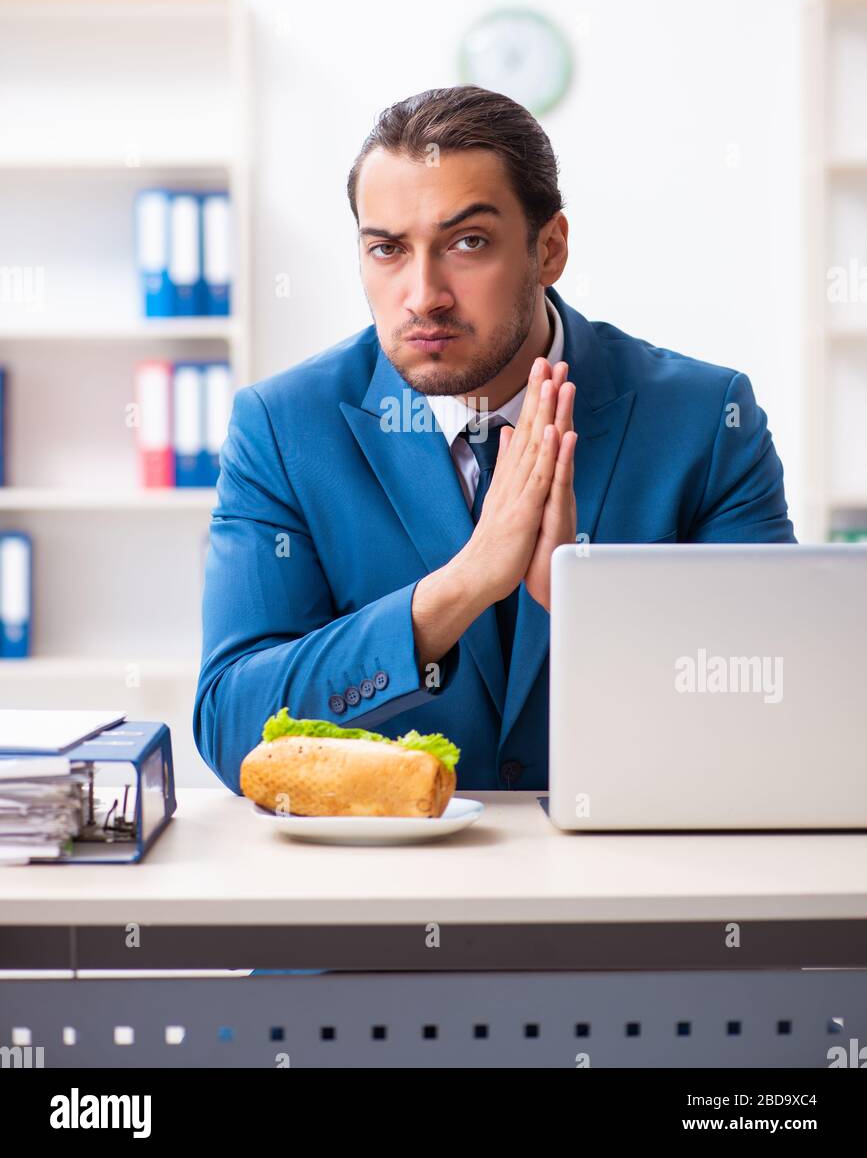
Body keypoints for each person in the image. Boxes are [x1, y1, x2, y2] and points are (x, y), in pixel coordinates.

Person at [194, 85, 796, 799]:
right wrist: (461, 585)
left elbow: (773, 704)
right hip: (382, 883)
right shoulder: (284, 426)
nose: (423, 295)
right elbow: (234, 725)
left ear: (549, 248)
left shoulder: (704, 419)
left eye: (466, 243)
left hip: (635, 865)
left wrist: (585, 609)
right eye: (386, 249)